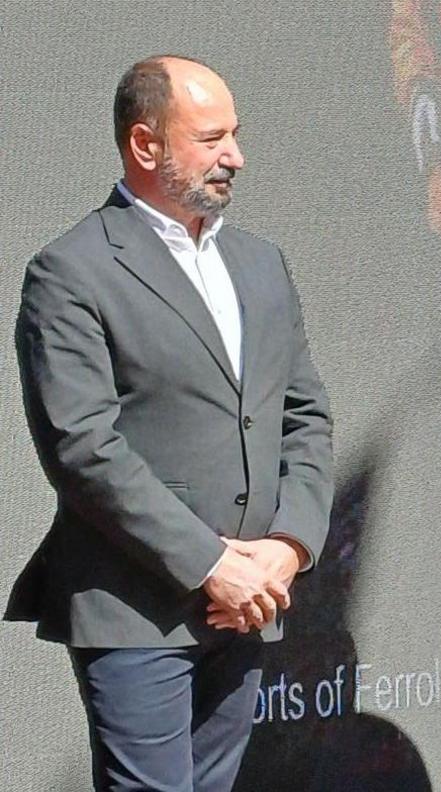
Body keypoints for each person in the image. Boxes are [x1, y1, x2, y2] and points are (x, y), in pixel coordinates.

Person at [5, 56, 333, 792]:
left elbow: (304, 412)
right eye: (212, 138)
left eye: (235, 136)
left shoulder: (260, 263)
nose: (236, 158)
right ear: (146, 145)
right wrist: (212, 566)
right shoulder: (72, 271)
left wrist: (288, 545)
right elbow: (83, 448)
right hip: (137, 606)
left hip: (250, 603)